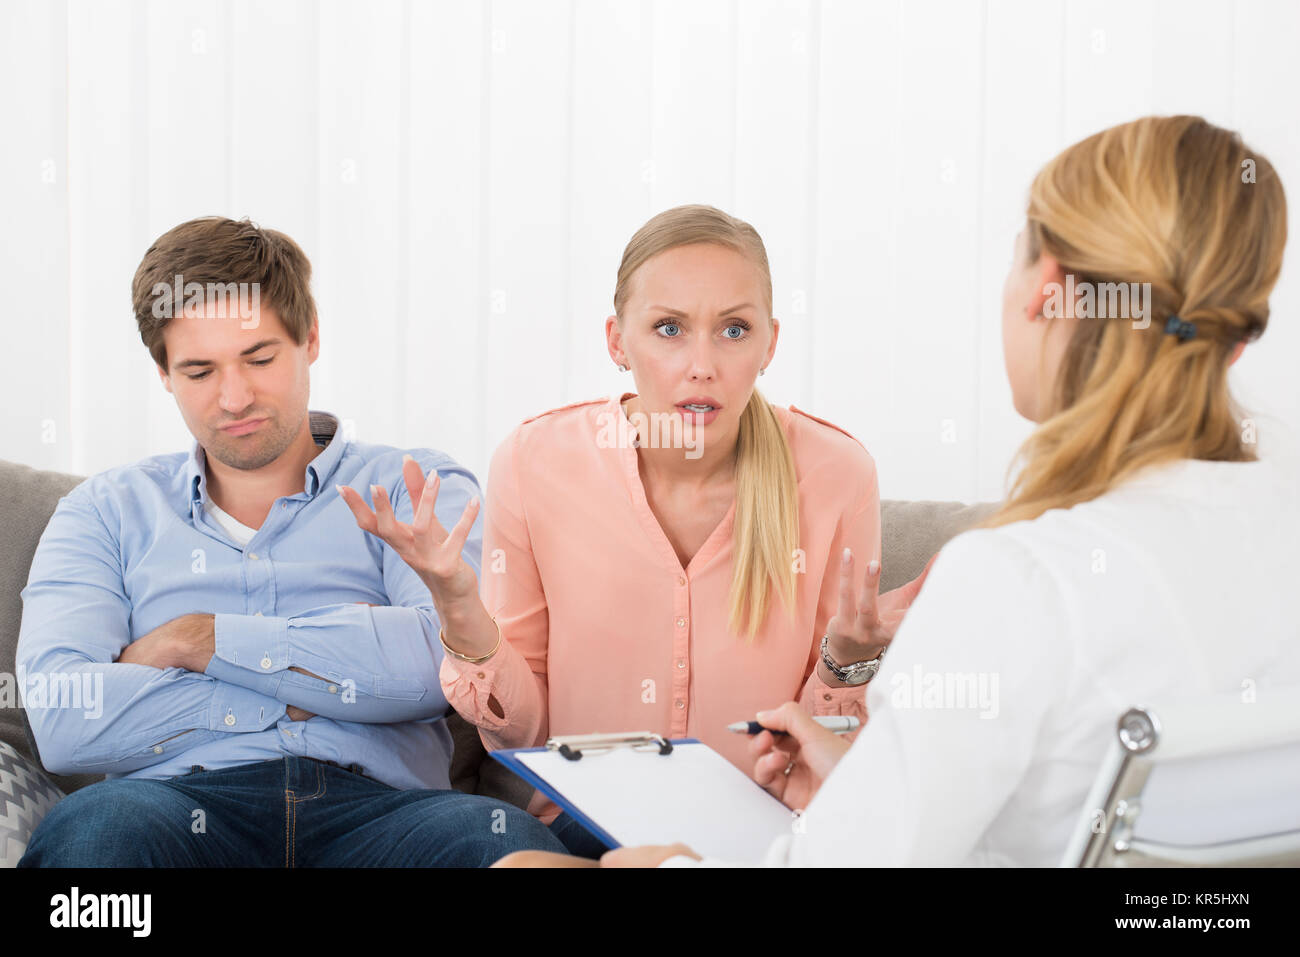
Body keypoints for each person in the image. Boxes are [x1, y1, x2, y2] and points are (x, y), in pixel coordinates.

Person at [498, 114, 1300, 868]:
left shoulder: (1015, 581)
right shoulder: (1277, 536)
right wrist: (862, 778)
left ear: (1045, 288)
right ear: (1233, 335)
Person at [341, 204, 929, 858]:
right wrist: (457, 604)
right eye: (670, 328)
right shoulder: (535, 462)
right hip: (587, 824)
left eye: (734, 329)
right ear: (617, 341)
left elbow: (825, 749)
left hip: (763, 835)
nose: (702, 364)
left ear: (770, 342)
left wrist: (848, 659)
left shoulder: (837, 473)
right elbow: (522, 732)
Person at [17, 216, 565, 867]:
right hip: (171, 807)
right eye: (199, 370)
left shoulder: (412, 482)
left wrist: (194, 640)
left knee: (502, 842)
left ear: (309, 338)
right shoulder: (102, 512)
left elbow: (430, 669)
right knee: (95, 840)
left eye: (259, 357)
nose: (235, 396)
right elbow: (63, 716)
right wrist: (323, 680)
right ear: (163, 373)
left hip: (387, 810)